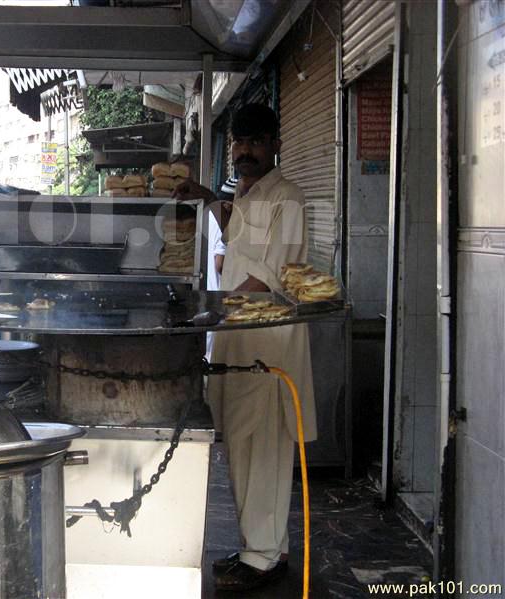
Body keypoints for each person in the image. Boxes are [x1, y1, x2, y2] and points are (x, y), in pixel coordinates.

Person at [173, 103, 315, 593]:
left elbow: (269, 274)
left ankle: (265, 558)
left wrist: (214, 309)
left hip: (266, 344)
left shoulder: (289, 198)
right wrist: (209, 196)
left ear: (276, 143)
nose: (244, 151)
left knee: (264, 450)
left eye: (255, 142)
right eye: (239, 142)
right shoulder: (247, 195)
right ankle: (258, 547)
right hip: (236, 339)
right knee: (240, 445)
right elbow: (237, 243)